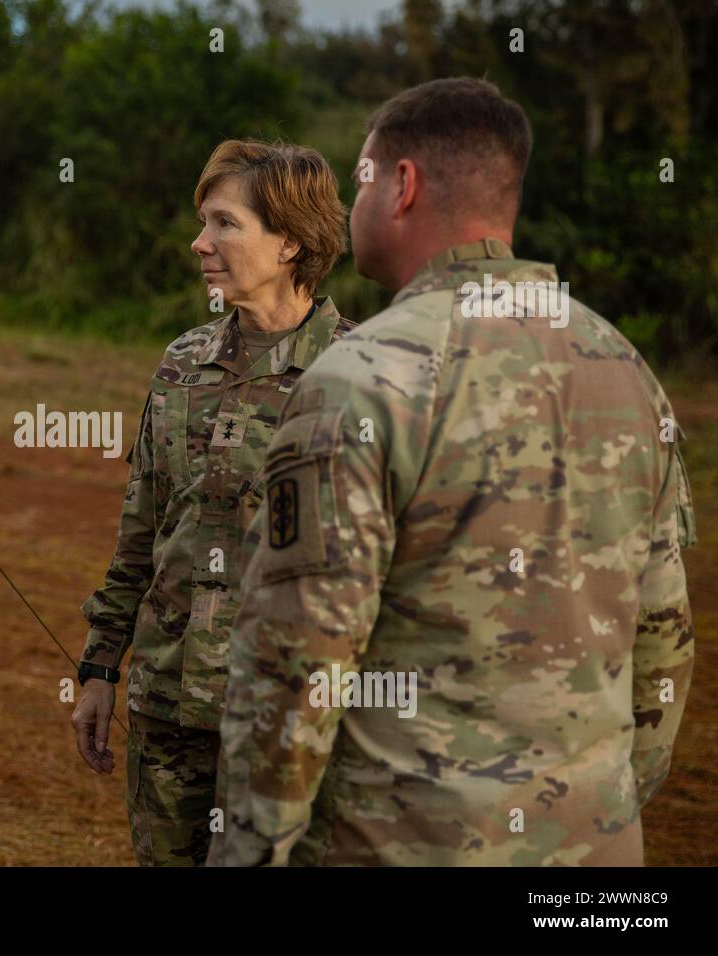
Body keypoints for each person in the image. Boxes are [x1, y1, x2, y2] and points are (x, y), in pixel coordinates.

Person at [210, 77, 697, 867]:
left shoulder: (359, 378)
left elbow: (297, 666)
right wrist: (602, 811)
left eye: (361, 180)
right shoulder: (624, 368)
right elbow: (663, 641)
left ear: (402, 186)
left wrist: (248, 853)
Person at [71, 139, 354, 866]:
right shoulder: (181, 364)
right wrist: (101, 666)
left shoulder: (360, 378)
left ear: (291, 239)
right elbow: (143, 528)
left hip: (287, 723)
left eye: (225, 223)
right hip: (168, 708)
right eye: (203, 222)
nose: (200, 243)